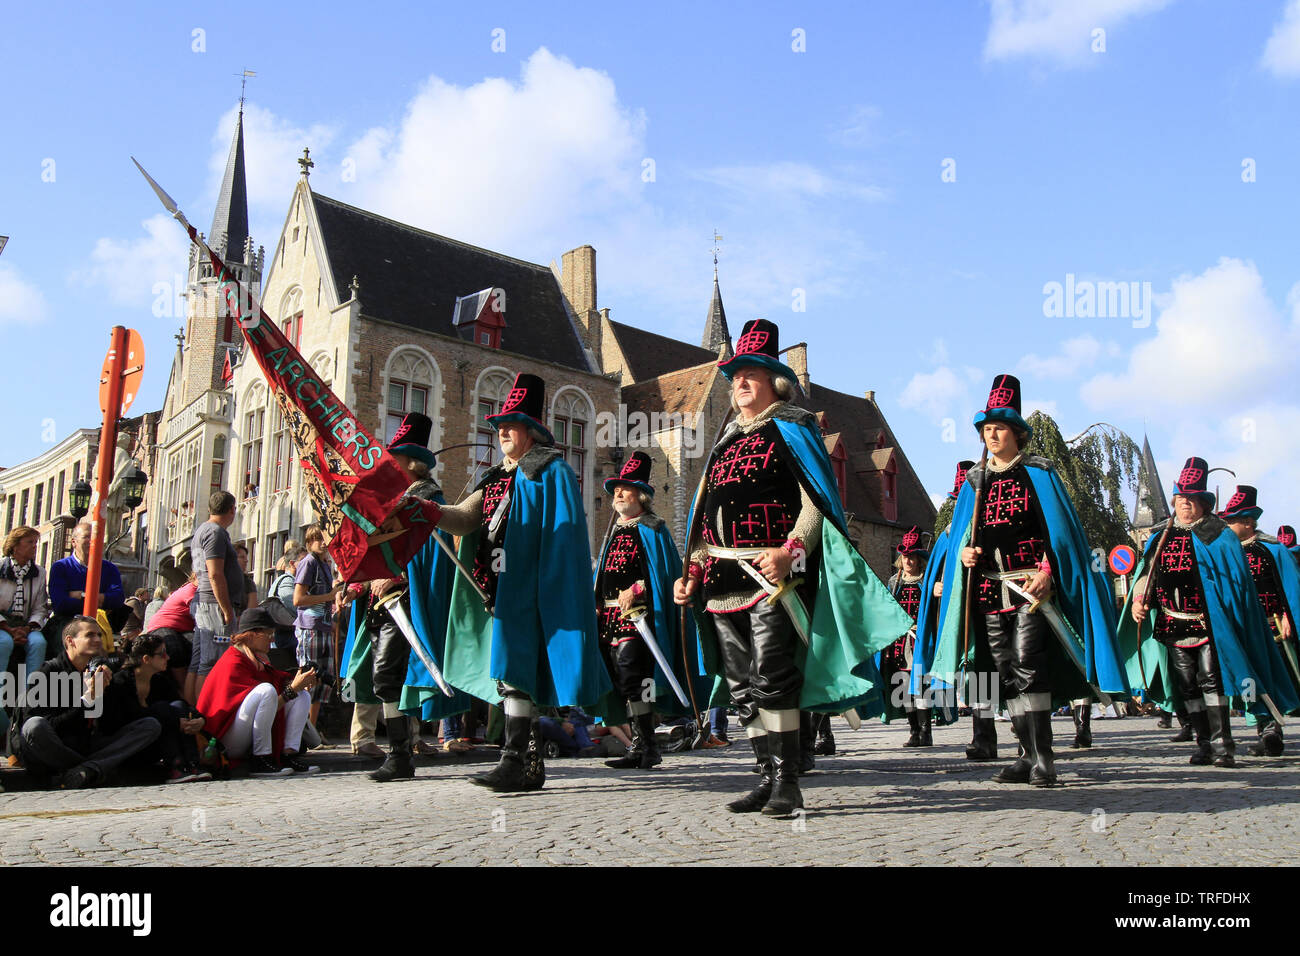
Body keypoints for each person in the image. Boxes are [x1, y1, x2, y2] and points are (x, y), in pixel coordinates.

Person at [675, 319, 913, 817]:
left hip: (776, 577)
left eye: (750, 374)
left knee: (773, 675)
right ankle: (764, 775)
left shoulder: (793, 428)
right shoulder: (723, 444)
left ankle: (788, 782)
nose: (739, 382)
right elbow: (705, 518)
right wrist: (693, 568)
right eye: (735, 374)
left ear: (774, 381)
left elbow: (814, 503)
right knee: (741, 685)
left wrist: (789, 550)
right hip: (722, 581)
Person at [929, 374, 1128, 787]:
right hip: (987, 590)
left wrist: (1048, 573)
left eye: (999, 427)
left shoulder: (1039, 474)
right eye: (986, 429)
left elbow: (1061, 535)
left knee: (1028, 666)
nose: (992, 435)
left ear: (1016, 432)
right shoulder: (973, 484)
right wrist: (963, 552)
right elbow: (964, 535)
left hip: (1029, 591)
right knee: (1004, 674)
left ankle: (1044, 759)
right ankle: (1025, 754)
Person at [435, 373, 612, 793]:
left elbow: (563, 538)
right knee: (513, 675)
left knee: (517, 673)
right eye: (499, 426)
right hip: (496, 588)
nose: (502, 432)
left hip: (533, 590)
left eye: (511, 425)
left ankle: (516, 760)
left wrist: (544, 589)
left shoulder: (551, 472)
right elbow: (464, 517)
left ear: (532, 431)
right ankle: (528, 765)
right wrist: (428, 510)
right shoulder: (495, 478)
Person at [1119, 459, 1299, 767]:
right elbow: (1147, 575)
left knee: (1211, 681)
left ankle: (1222, 744)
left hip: (1209, 627)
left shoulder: (1219, 535)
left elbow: (1235, 583)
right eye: (1180, 498)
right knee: (1188, 685)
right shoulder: (1161, 536)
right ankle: (1203, 742)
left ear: (1203, 502)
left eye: (1191, 498)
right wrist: (1138, 600)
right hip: (1173, 626)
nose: (1185, 503)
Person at [338, 412, 468, 780]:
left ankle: (399, 756)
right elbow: (378, 552)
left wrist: (395, 578)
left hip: (408, 603)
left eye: (394, 460)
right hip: (382, 603)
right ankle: (399, 755)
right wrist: (361, 582)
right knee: (383, 678)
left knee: (389, 673)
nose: (387, 465)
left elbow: (424, 558)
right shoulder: (389, 501)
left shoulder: (428, 502)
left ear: (411, 464)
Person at [593, 451, 700, 771]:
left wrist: (636, 590)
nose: (618, 494)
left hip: (639, 620)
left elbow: (662, 575)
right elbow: (605, 575)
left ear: (642, 495)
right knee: (622, 680)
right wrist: (597, 604)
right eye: (616, 490)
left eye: (625, 489)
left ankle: (646, 743)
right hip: (611, 619)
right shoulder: (615, 531)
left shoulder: (654, 529)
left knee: (635, 677)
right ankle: (642, 744)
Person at [13, 616, 161, 788]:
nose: (98, 640)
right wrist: (87, 699)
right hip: (55, 747)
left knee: (150, 725)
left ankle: (87, 768)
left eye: (99, 635)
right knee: (35, 726)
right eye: (90, 635)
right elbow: (50, 726)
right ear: (70, 641)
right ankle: (90, 767)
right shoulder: (48, 672)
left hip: (84, 743)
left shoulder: (98, 671)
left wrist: (107, 691)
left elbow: (111, 725)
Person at [1219, 486, 1300, 756]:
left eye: (1231, 521)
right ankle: (1264, 729)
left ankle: (1271, 729)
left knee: (1273, 678)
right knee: (1249, 681)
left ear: (1248, 522)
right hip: (1244, 630)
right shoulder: (1227, 552)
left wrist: (1290, 617)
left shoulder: (1273, 550)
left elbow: (1291, 588)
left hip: (1273, 627)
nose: (1227, 526)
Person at [197, 606, 319, 776]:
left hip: (241, 732)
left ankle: (287, 754)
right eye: (268, 635)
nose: (272, 639)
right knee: (266, 691)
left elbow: (279, 682)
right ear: (252, 635)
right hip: (223, 739)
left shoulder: (253, 658)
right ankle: (261, 758)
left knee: (302, 695)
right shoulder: (233, 662)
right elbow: (268, 701)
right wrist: (292, 689)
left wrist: (300, 682)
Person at [912, 461, 973, 754]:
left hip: (981, 608)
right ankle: (978, 735)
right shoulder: (947, 535)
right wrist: (935, 588)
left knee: (979, 671)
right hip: (948, 616)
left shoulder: (985, 526)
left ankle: (985, 731)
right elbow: (936, 575)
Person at [100, 633, 209, 783]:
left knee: (178, 706)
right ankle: (174, 765)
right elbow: (125, 718)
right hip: (130, 742)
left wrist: (199, 720)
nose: (168, 658)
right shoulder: (121, 682)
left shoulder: (159, 681)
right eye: (162, 654)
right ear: (146, 659)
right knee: (163, 710)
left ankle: (191, 763)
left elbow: (181, 703)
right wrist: (174, 722)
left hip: (156, 738)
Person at [190, 491, 244, 704]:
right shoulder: (215, 533)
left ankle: (196, 708)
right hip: (214, 605)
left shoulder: (203, 530)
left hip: (205, 603)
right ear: (231, 509)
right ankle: (206, 711)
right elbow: (214, 573)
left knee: (200, 660)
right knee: (213, 661)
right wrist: (226, 609)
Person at [883, 527, 931, 747]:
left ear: (919, 557)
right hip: (900, 641)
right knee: (903, 687)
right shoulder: (894, 582)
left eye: (912, 556)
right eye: (905, 556)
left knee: (921, 685)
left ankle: (925, 732)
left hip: (921, 640)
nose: (908, 560)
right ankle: (913, 731)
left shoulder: (928, 580)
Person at [47, 520, 126, 651]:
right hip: (67, 623)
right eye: (87, 537)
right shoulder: (61, 567)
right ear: (74, 542)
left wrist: (80, 595)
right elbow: (60, 604)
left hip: (100, 622)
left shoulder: (109, 569)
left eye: (95, 537)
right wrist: (101, 600)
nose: (92, 540)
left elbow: (117, 599)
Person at [293, 525, 340, 730]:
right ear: (309, 542)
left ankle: (311, 730)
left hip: (323, 626)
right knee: (309, 677)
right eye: (317, 539)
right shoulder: (309, 562)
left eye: (325, 538)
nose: (323, 542)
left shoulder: (324, 564)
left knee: (322, 682)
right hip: (310, 628)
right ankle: (299, 728)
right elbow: (298, 599)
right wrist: (329, 597)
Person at [0, 526, 50, 686]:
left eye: (36, 542)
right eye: (30, 542)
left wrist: (27, 628)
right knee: (4, 643)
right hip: (2, 625)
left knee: (38, 643)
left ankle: (30, 695)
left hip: (26, 625)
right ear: (15, 546)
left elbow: (40, 607)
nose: (35, 546)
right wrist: (8, 629)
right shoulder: (1, 568)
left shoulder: (39, 573)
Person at [144, 574, 197, 694]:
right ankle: (183, 690)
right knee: (174, 648)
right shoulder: (191, 590)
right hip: (162, 626)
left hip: (181, 629)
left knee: (197, 647)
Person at [267, 548, 304, 671]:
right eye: (303, 561)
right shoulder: (287, 581)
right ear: (292, 564)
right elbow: (296, 606)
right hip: (288, 635)